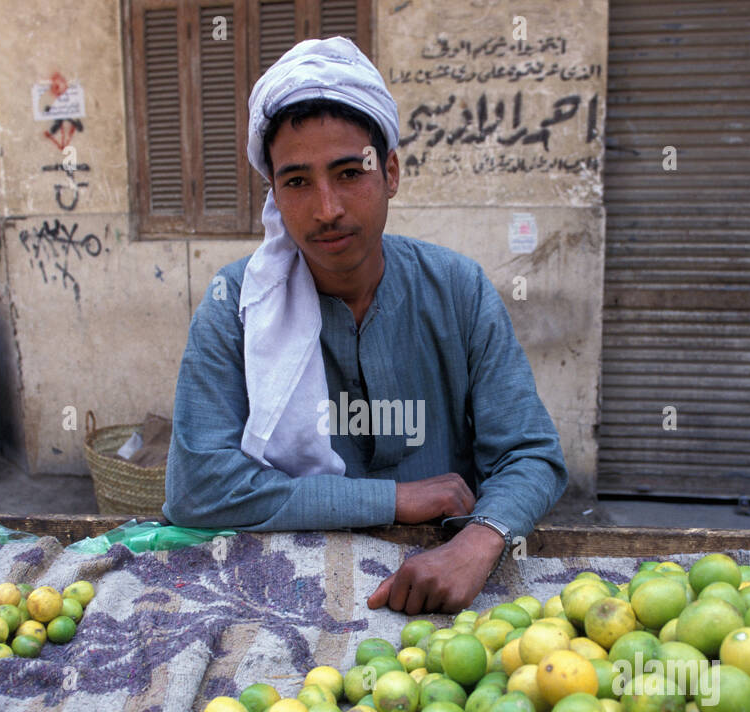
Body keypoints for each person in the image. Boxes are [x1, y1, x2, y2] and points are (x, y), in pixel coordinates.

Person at [163, 37, 567, 615]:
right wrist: (389, 499)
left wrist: (481, 538)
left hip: (446, 589)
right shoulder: (237, 304)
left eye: (350, 172)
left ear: (392, 172)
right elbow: (198, 490)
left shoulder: (458, 288)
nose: (326, 208)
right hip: (286, 598)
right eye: (297, 182)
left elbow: (532, 454)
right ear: (273, 193)